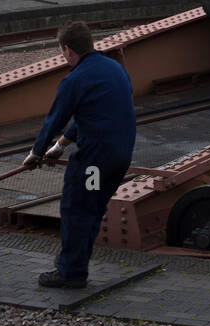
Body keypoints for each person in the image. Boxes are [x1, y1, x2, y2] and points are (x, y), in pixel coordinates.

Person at [22, 22, 137, 288]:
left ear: (68, 50)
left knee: (75, 208)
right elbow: (93, 112)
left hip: (95, 159)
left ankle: (70, 273)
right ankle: (74, 264)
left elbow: (55, 119)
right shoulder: (115, 68)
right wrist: (61, 145)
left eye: (62, 52)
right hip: (121, 156)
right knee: (92, 209)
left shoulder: (74, 79)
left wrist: (35, 153)